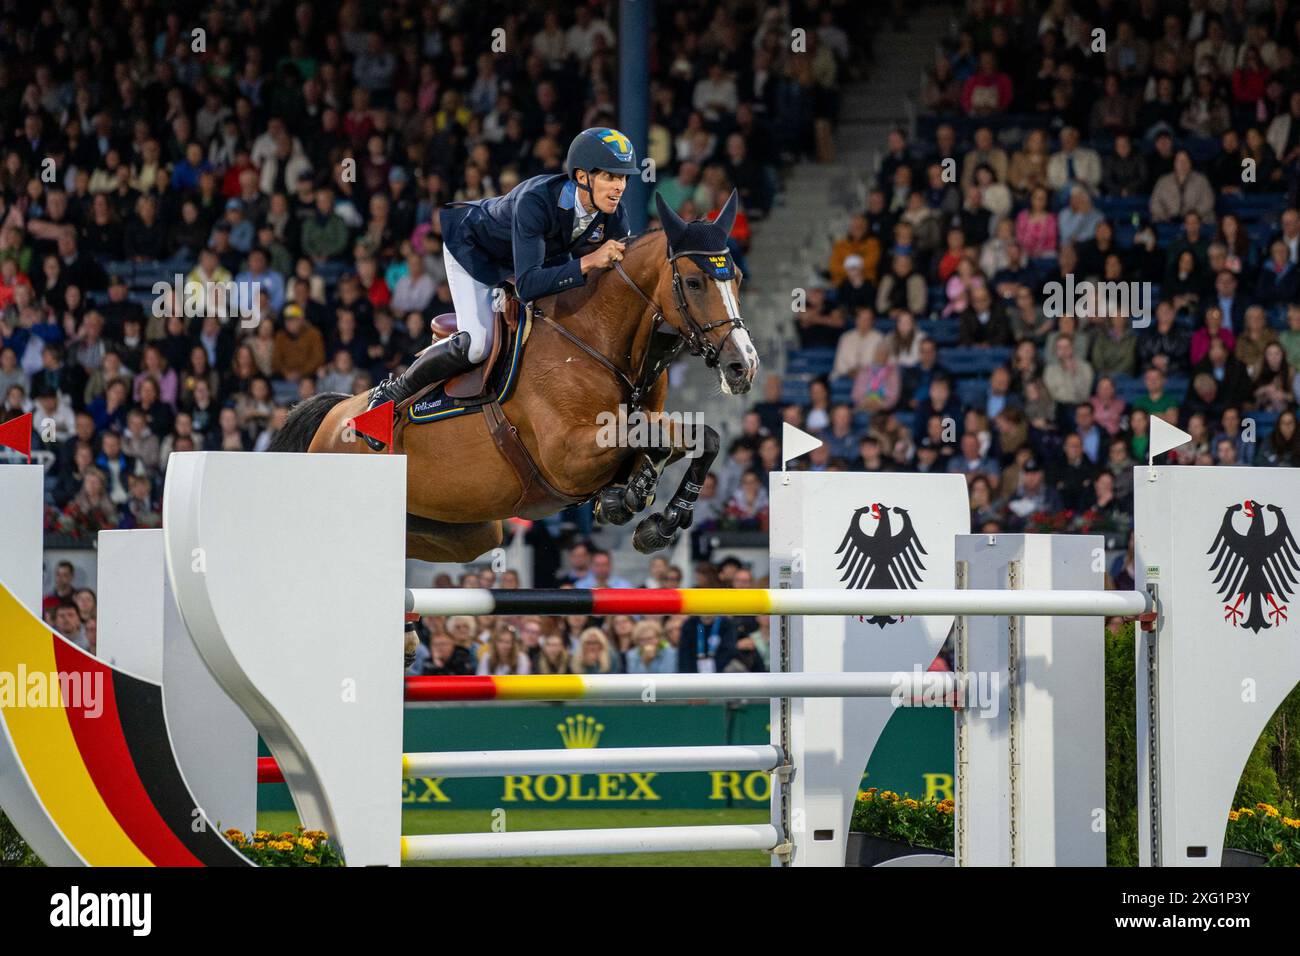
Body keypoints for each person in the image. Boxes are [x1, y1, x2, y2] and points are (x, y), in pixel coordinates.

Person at [362, 128, 639, 447]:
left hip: (522, 264)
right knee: (477, 344)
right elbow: (529, 285)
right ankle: (390, 396)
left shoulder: (614, 216)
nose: (620, 186)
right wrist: (589, 262)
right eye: (609, 176)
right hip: (475, 252)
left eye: (624, 178)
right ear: (581, 176)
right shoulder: (536, 201)